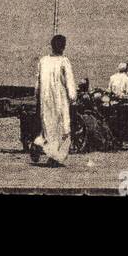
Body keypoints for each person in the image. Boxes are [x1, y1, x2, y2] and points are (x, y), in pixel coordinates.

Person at [33, 34, 78, 166]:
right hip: (60, 99)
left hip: (45, 98)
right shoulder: (64, 62)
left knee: (48, 126)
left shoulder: (43, 61)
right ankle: (54, 157)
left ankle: (38, 143)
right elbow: (70, 82)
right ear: (63, 47)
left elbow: (38, 82)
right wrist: (73, 97)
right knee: (63, 127)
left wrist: (37, 96)